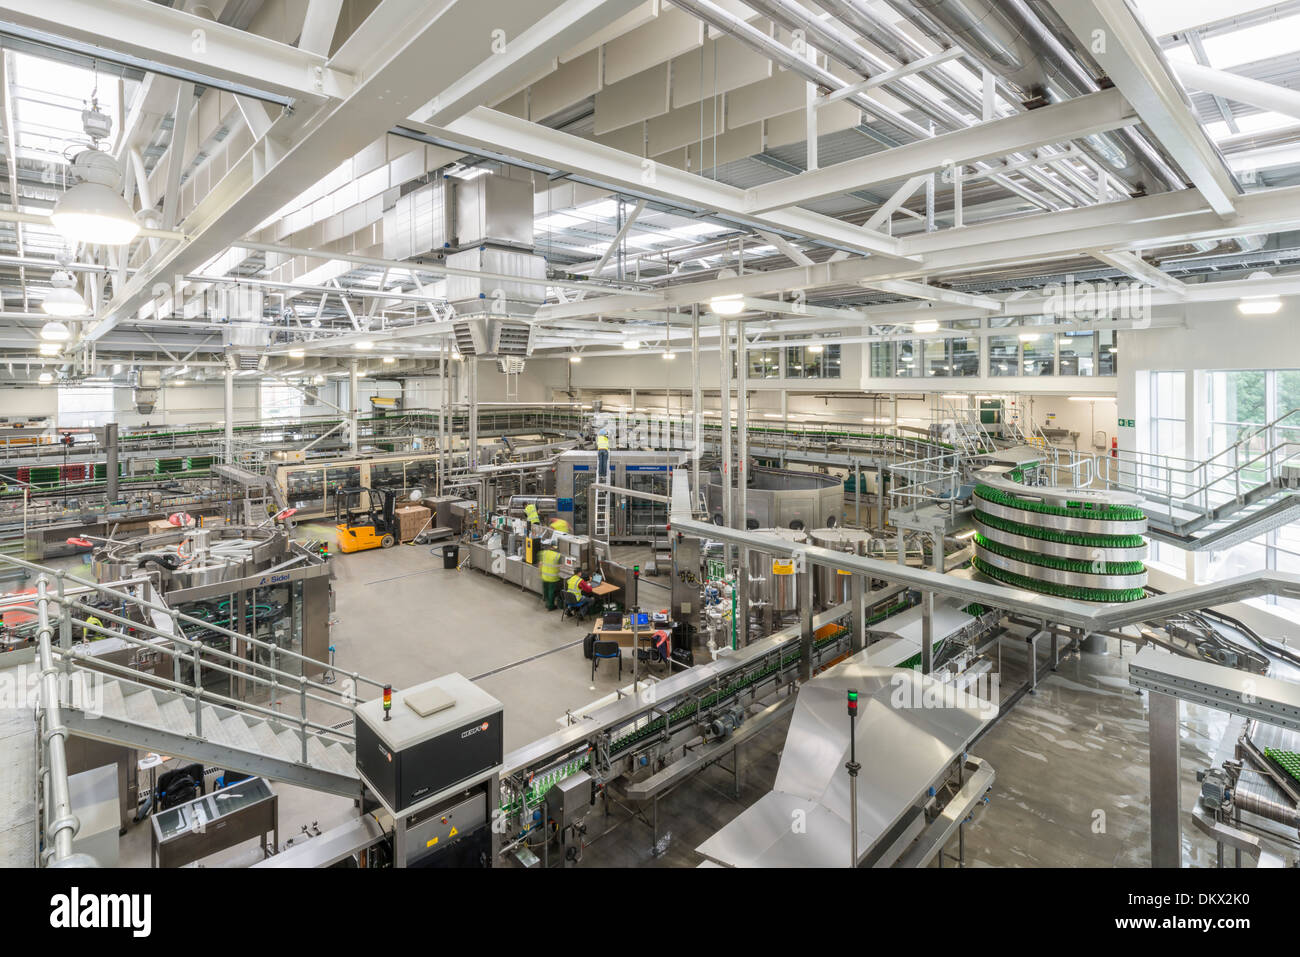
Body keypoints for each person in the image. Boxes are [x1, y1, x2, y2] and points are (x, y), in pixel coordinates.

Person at [538, 545, 562, 611]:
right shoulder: (558, 555)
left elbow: (540, 563)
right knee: (551, 592)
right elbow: (560, 566)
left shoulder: (544, 553)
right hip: (552, 577)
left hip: (544, 576)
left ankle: (547, 603)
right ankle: (550, 606)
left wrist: (540, 572)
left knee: (546, 590)